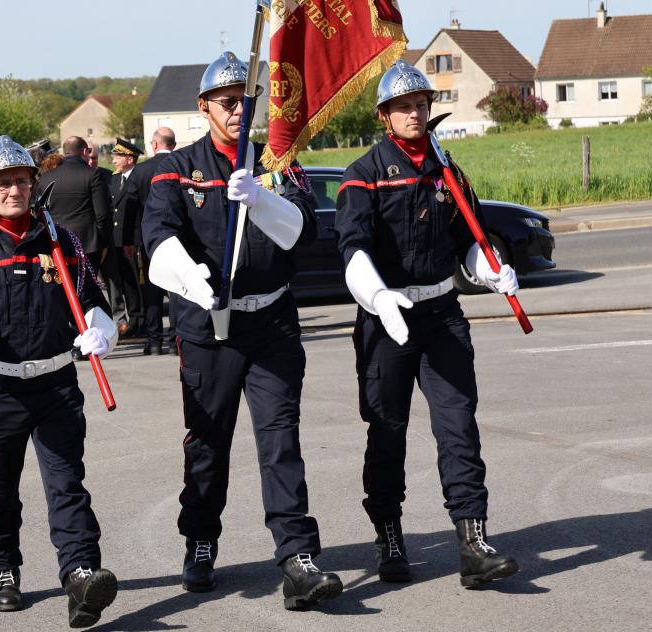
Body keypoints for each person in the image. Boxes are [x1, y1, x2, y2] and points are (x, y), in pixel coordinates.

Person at [141, 52, 343, 610]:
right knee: (208, 442)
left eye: (244, 101)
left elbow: (301, 230)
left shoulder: (279, 163)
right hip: (209, 327)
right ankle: (201, 540)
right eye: (226, 102)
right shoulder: (175, 167)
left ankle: (297, 556)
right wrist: (191, 281)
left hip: (272, 322)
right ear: (203, 107)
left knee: (281, 440)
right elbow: (157, 238)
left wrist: (262, 198)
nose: (236, 110)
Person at [335, 61, 520, 588]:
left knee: (458, 427)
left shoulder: (447, 171)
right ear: (384, 116)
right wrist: (377, 297)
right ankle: (389, 532)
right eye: (404, 107)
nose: (416, 114)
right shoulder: (363, 174)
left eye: (422, 105)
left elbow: (471, 238)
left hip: (442, 315)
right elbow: (351, 248)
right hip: (386, 320)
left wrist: (490, 270)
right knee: (387, 431)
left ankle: (472, 541)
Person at [0, 135, 120, 627]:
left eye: (21, 180)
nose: (13, 189)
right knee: (0, 489)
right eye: (2, 183)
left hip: (55, 385)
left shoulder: (62, 242)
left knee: (67, 484)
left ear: (35, 184)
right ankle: (3, 569)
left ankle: (80, 574)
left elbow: (94, 301)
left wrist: (102, 332)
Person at [128, 127, 177, 355]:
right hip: (179, 240)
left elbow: (131, 210)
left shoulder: (140, 171)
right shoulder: (183, 164)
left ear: (155, 144)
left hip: (149, 242)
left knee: (152, 292)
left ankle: (155, 341)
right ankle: (177, 339)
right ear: (173, 145)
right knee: (178, 290)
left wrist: (132, 241)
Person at [36, 136, 112, 266]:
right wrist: (103, 243)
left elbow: (39, 212)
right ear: (84, 152)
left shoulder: (46, 178)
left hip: (56, 243)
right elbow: (103, 214)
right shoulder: (92, 175)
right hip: (88, 245)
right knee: (87, 285)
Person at [103, 138, 146, 337]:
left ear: (130, 158)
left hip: (133, 240)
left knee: (137, 283)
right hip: (117, 240)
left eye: (118, 156)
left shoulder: (138, 177)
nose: (114, 160)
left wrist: (135, 241)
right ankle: (133, 320)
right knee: (125, 282)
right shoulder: (114, 179)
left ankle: (140, 320)